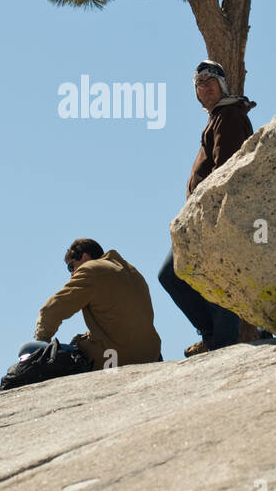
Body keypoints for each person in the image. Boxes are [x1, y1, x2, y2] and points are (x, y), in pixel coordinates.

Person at [158, 60, 258, 356]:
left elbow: (225, 169)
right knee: (184, 274)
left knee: (180, 274)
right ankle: (215, 337)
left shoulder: (228, 116)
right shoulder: (219, 118)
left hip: (215, 214)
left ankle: (221, 341)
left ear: (223, 86)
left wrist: (208, 212)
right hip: (202, 215)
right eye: (199, 84)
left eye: (210, 82)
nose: (205, 87)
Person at [19, 238, 161, 370]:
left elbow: (51, 310)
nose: (72, 274)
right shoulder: (131, 272)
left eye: (71, 267)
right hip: (151, 354)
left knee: (29, 350)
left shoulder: (92, 270)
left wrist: (40, 343)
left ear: (85, 257)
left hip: (116, 357)